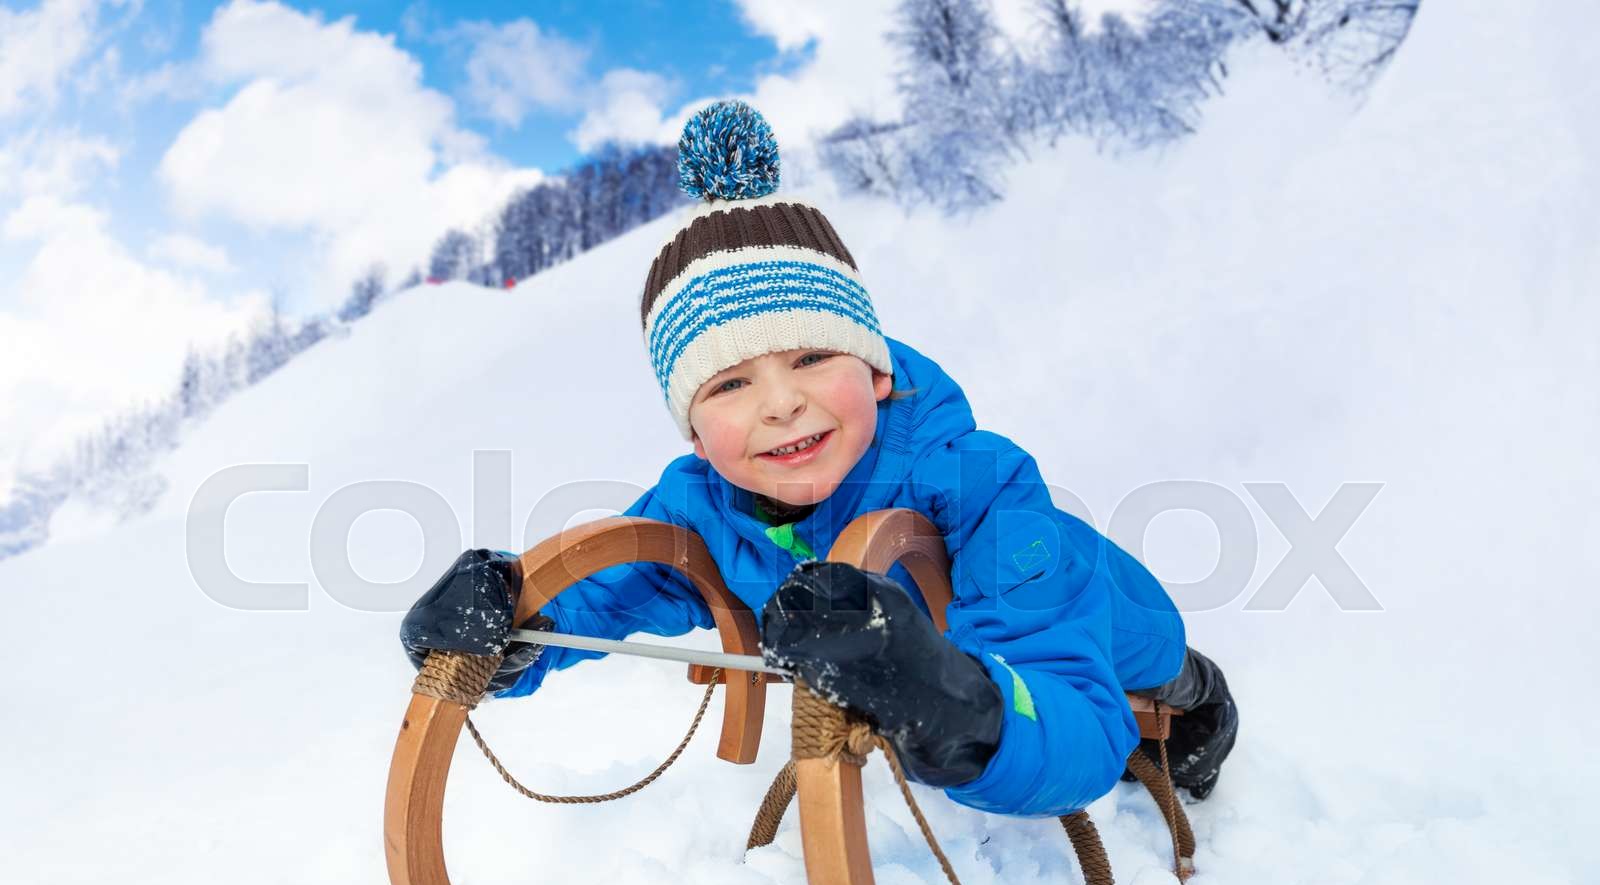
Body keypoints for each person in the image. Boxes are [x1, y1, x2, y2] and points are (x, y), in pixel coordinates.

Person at [399, 101, 1238, 812]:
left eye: (809, 359)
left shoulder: (975, 484)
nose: (778, 402)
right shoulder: (702, 503)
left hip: (1113, 637)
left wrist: (962, 706)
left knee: (1161, 694)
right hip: (951, 656)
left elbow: (1072, 695)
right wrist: (515, 619)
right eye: (729, 385)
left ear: (874, 372)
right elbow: (615, 587)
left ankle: (1203, 697)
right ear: (694, 434)